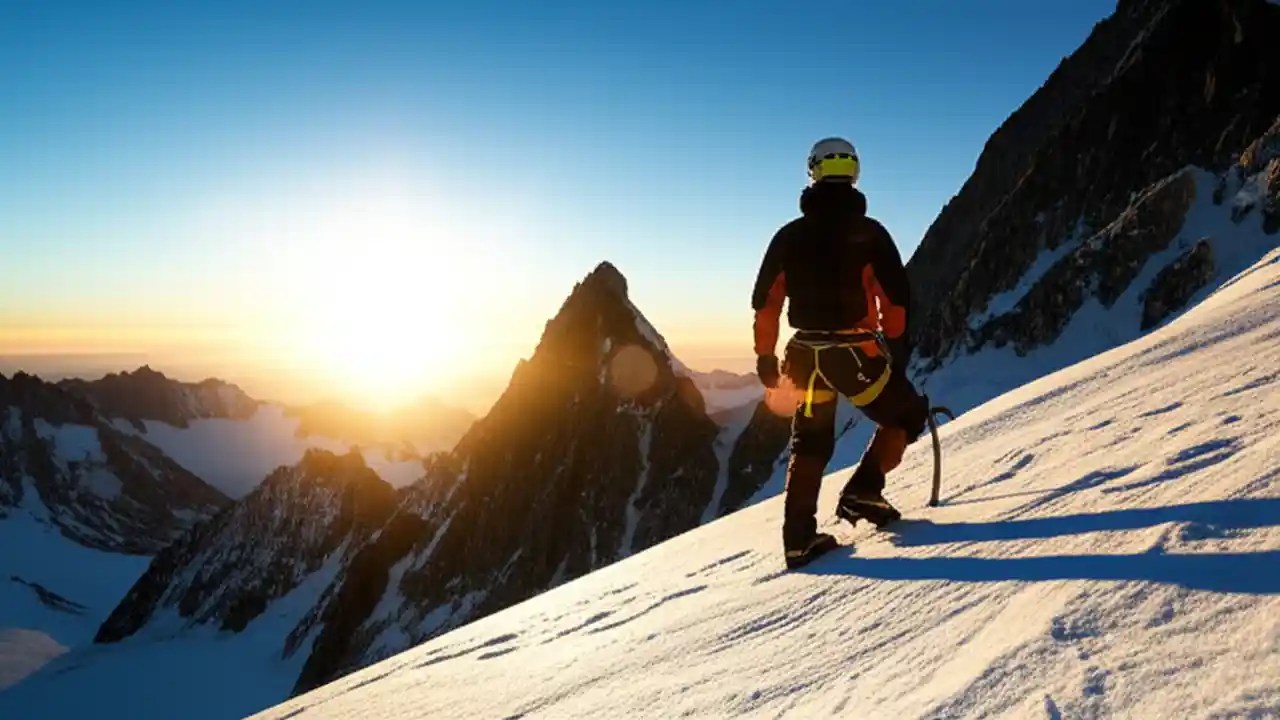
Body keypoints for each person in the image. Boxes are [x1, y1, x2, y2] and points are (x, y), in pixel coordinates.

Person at [752, 137, 930, 569]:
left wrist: (764, 357)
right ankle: (864, 489)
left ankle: (798, 539)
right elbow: (896, 300)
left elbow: (766, 301)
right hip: (852, 353)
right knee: (905, 415)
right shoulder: (869, 234)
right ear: (854, 174)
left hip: (803, 356)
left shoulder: (789, 237)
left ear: (812, 172)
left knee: (810, 442)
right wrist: (897, 347)